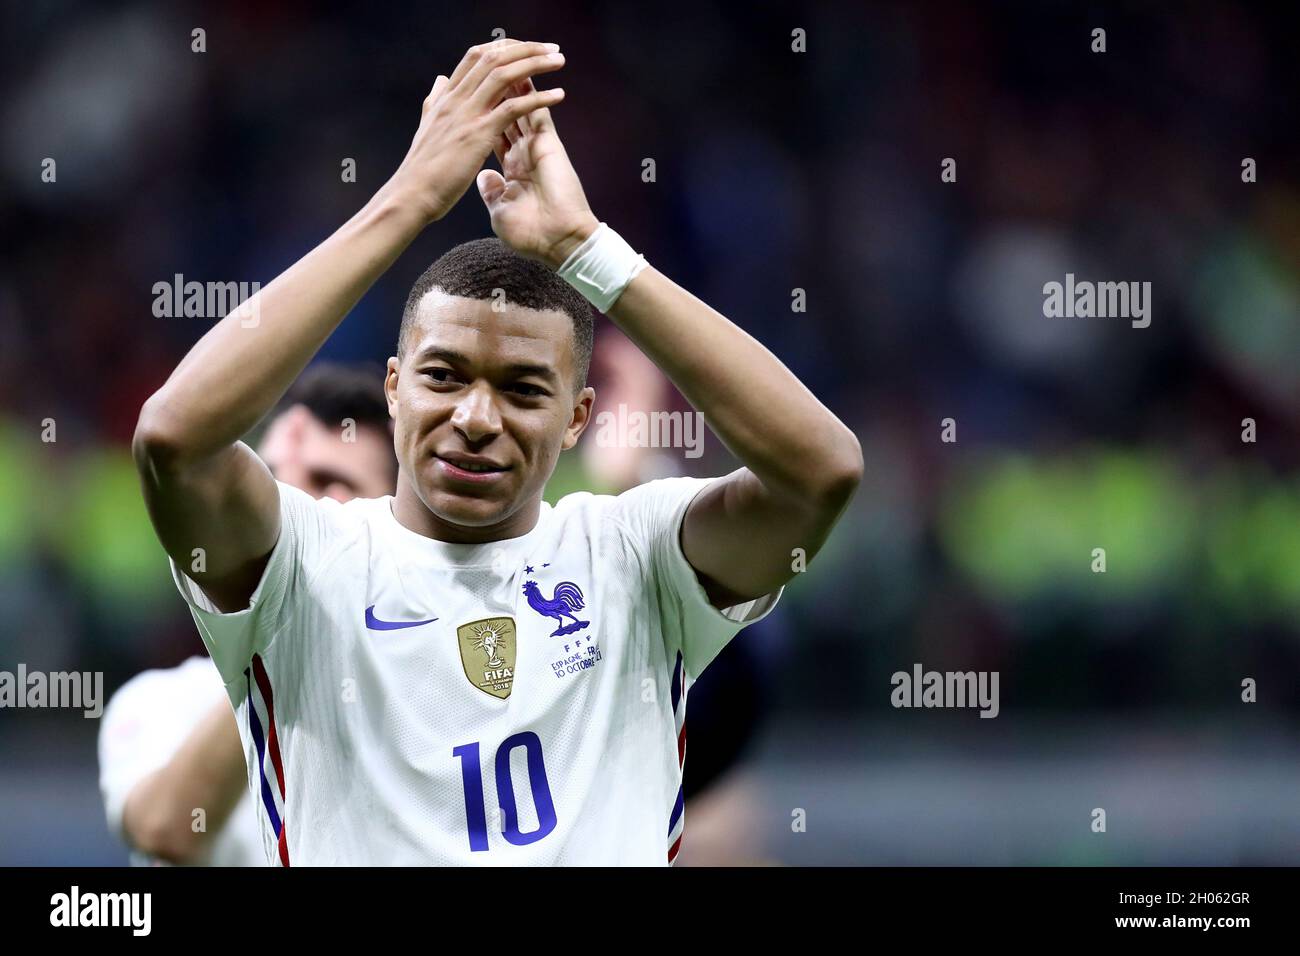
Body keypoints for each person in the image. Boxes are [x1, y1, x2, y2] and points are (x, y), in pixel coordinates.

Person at [131, 38, 862, 865]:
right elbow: (174, 439)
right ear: (395, 386)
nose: (478, 417)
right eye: (444, 376)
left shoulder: (634, 554)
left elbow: (821, 470)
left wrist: (590, 250)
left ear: (579, 417)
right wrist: (407, 200)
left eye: (523, 389)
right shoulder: (303, 563)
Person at [99, 364, 396, 865]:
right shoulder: (165, 699)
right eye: (272, 478)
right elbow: (168, 829)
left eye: (329, 483)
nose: (285, 506)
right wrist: (279, 639)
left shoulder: (430, 699)